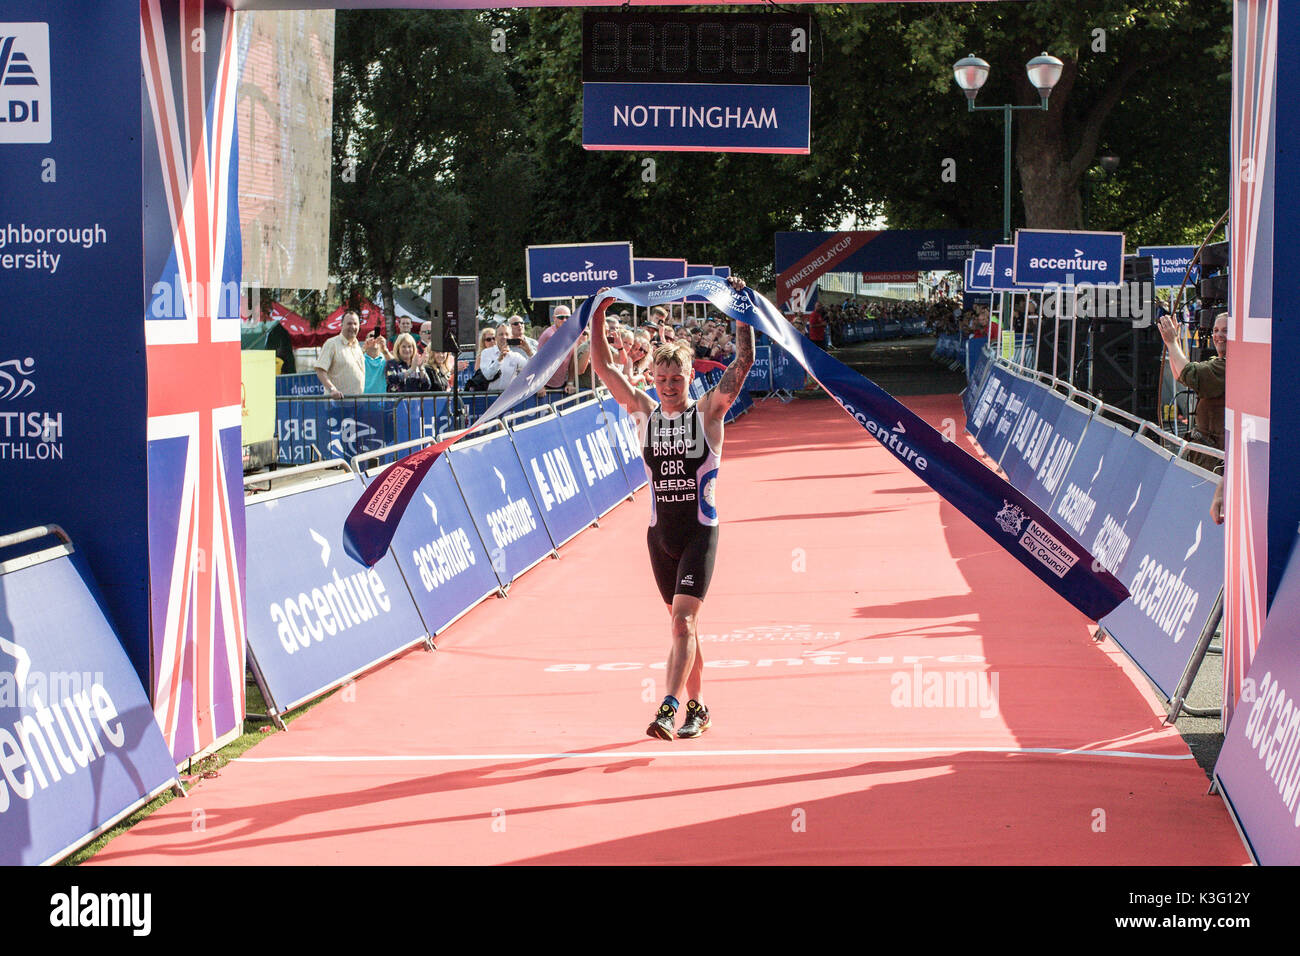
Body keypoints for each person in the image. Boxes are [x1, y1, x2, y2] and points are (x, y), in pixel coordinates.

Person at [587, 277, 755, 741]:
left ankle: (667, 707)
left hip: (700, 532)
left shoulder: (707, 414)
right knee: (685, 626)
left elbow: (744, 363)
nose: (667, 387)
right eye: (661, 380)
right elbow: (602, 367)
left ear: (689, 378)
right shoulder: (644, 412)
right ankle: (699, 708)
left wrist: (740, 310)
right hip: (660, 538)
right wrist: (598, 315)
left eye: (676, 380)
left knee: (683, 621)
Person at [1158, 311, 1227, 471]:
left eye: (1225, 330)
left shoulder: (1227, 366)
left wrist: (1173, 342)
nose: (1218, 335)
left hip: (1215, 458)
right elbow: (1179, 375)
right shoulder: (1218, 362)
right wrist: (1171, 343)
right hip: (1207, 453)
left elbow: (1188, 374)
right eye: (1216, 330)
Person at [314, 309, 366, 398]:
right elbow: (320, 370)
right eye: (349, 323)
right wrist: (332, 389)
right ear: (341, 325)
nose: (353, 327)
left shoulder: (357, 346)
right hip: (337, 404)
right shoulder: (331, 344)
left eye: (355, 324)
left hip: (357, 403)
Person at [479, 326, 529, 391]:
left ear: (510, 337)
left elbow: (529, 369)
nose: (504, 337)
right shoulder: (486, 353)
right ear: (496, 337)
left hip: (509, 397)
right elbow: (488, 376)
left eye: (507, 334)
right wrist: (499, 359)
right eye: (501, 334)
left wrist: (529, 352)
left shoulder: (515, 356)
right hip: (490, 398)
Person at [363, 328, 390, 393]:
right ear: (365, 341)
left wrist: (385, 350)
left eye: (377, 336)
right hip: (363, 399)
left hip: (381, 400)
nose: (374, 339)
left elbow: (396, 365)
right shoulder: (361, 357)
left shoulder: (385, 357)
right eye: (371, 336)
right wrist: (364, 349)